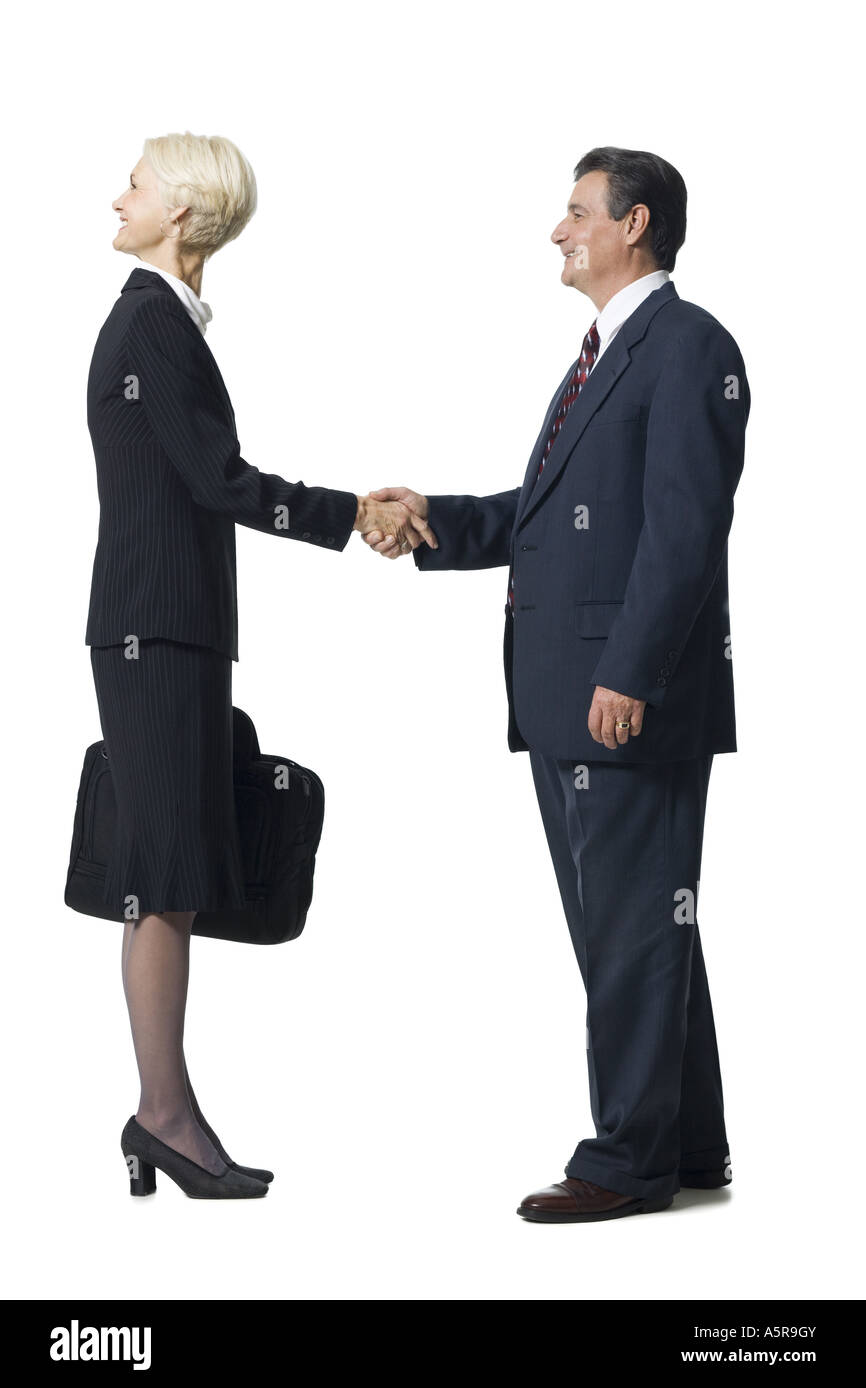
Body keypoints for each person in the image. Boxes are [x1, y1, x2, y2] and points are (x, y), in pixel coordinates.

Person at [362, 145, 750, 1223]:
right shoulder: (603, 354)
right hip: (565, 693)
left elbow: (683, 531)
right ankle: (688, 1144)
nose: (555, 228)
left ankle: (626, 1160)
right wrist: (432, 517)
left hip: (618, 695)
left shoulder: (686, 347)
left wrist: (629, 670)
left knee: (628, 928)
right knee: (642, 923)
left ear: (633, 225)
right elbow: (550, 521)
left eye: (575, 210)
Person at [84, 131, 438, 1200]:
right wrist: (352, 516)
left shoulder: (160, 324)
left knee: (174, 880)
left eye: (135, 184)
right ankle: (163, 1117)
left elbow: (204, 478)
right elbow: (221, 481)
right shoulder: (149, 319)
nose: (118, 196)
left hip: (168, 631)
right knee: (164, 881)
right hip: (157, 632)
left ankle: (165, 1116)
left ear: (182, 213)